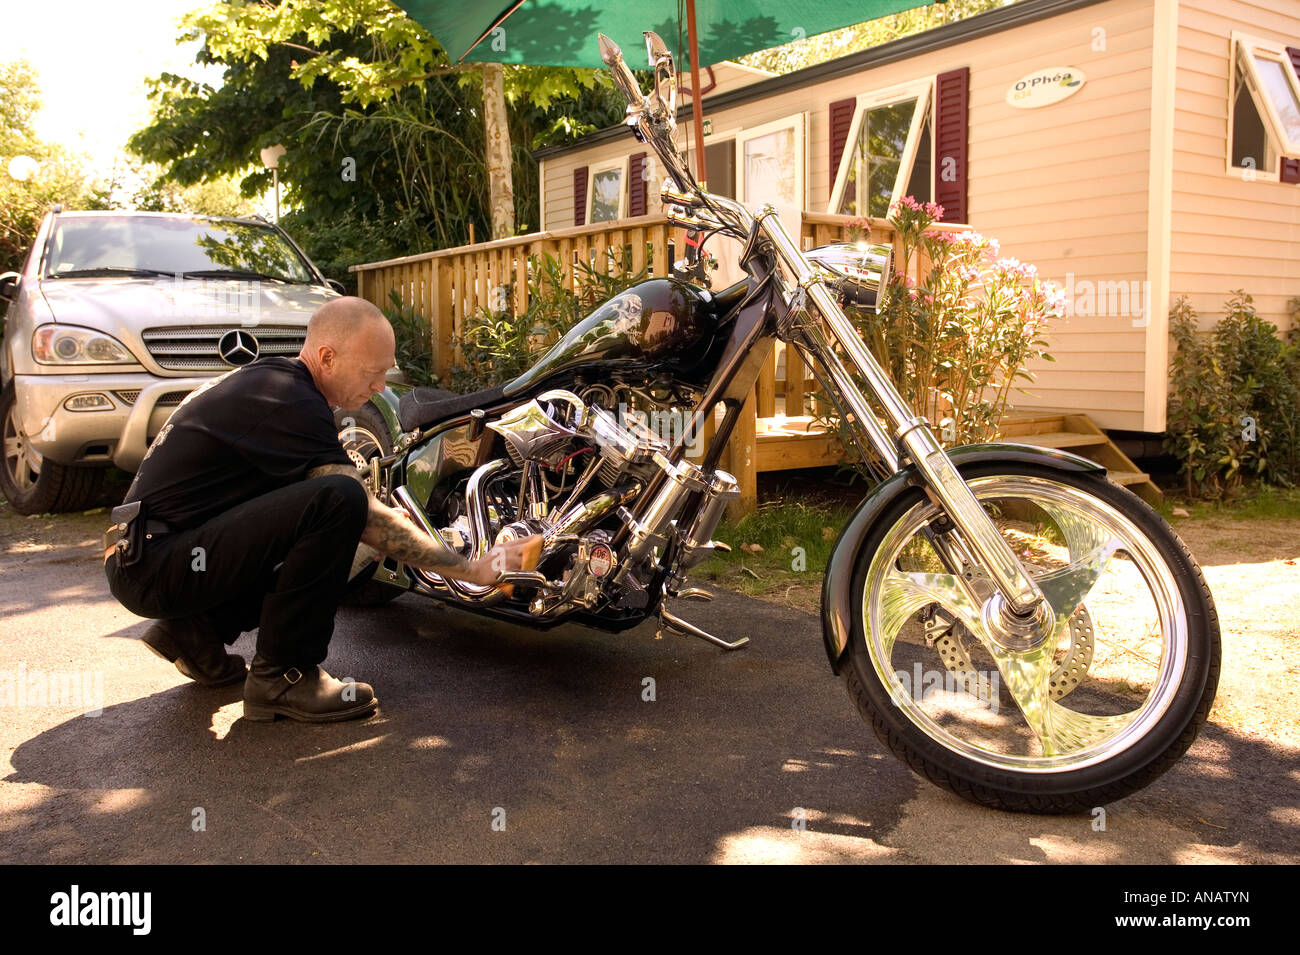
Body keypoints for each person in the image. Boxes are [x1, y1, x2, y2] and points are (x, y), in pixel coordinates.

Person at [103, 296, 538, 723]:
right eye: (374, 372)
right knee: (342, 502)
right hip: (156, 565)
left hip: (146, 556)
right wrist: (472, 569)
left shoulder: (272, 383)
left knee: (339, 518)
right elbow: (356, 511)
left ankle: (194, 635)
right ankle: (285, 676)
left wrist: (376, 525)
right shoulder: (292, 399)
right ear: (327, 357)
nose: (381, 387)